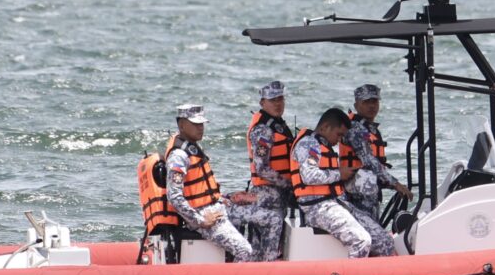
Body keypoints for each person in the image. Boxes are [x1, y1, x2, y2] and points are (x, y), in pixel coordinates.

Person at [139, 103, 254, 262]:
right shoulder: (179, 156)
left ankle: (262, 262)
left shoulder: (192, 147)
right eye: (195, 124)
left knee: (263, 212)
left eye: (201, 124)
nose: (200, 128)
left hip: (216, 207)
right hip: (203, 217)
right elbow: (174, 197)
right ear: (181, 125)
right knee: (245, 251)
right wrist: (200, 220)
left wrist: (230, 198)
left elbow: (202, 189)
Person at [293, 107, 399, 258]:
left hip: (338, 202)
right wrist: (339, 173)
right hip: (317, 207)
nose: (338, 140)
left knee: (385, 241)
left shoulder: (324, 145)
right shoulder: (308, 144)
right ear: (324, 127)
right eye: (338, 134)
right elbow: (309, 175)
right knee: (361, 241)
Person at [229, 79, 296, 262]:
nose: (278, 104)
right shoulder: (263, 130)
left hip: (277, 195)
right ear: (262, 103)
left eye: (281, 99)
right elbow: (261, 168)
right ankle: (263, 271)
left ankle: (257, 272)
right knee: (263, 243)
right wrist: (289, 183)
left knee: (261, 243)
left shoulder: (278, 125)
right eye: (273, 100)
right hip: (266, 194)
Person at [343, 82, 409, 225]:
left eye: (375, 101)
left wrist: (391, 185)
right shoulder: (355, 129)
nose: (372, 106)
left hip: (369, 192)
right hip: (357, 194)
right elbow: (369, 161)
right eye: (366, 102)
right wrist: (395, 183)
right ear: (356, 105)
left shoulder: (371, 129)